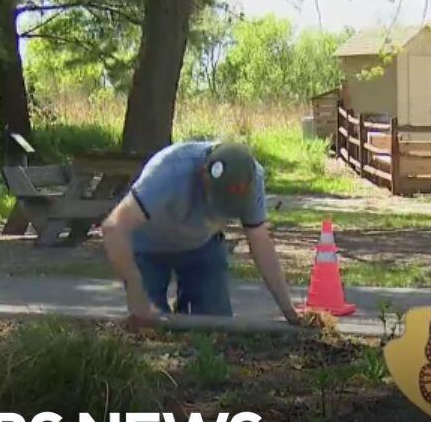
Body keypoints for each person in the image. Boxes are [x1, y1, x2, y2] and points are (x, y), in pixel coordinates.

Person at [101, 140, 301, 327]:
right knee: (150, 328)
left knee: (216, 329)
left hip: (203, 245)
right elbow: (113, 227)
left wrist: (288, 310)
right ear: (203, 173)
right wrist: (136, 292)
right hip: (148, 246)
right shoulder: (168, 171)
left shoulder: (251, 178)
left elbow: (260, 241)